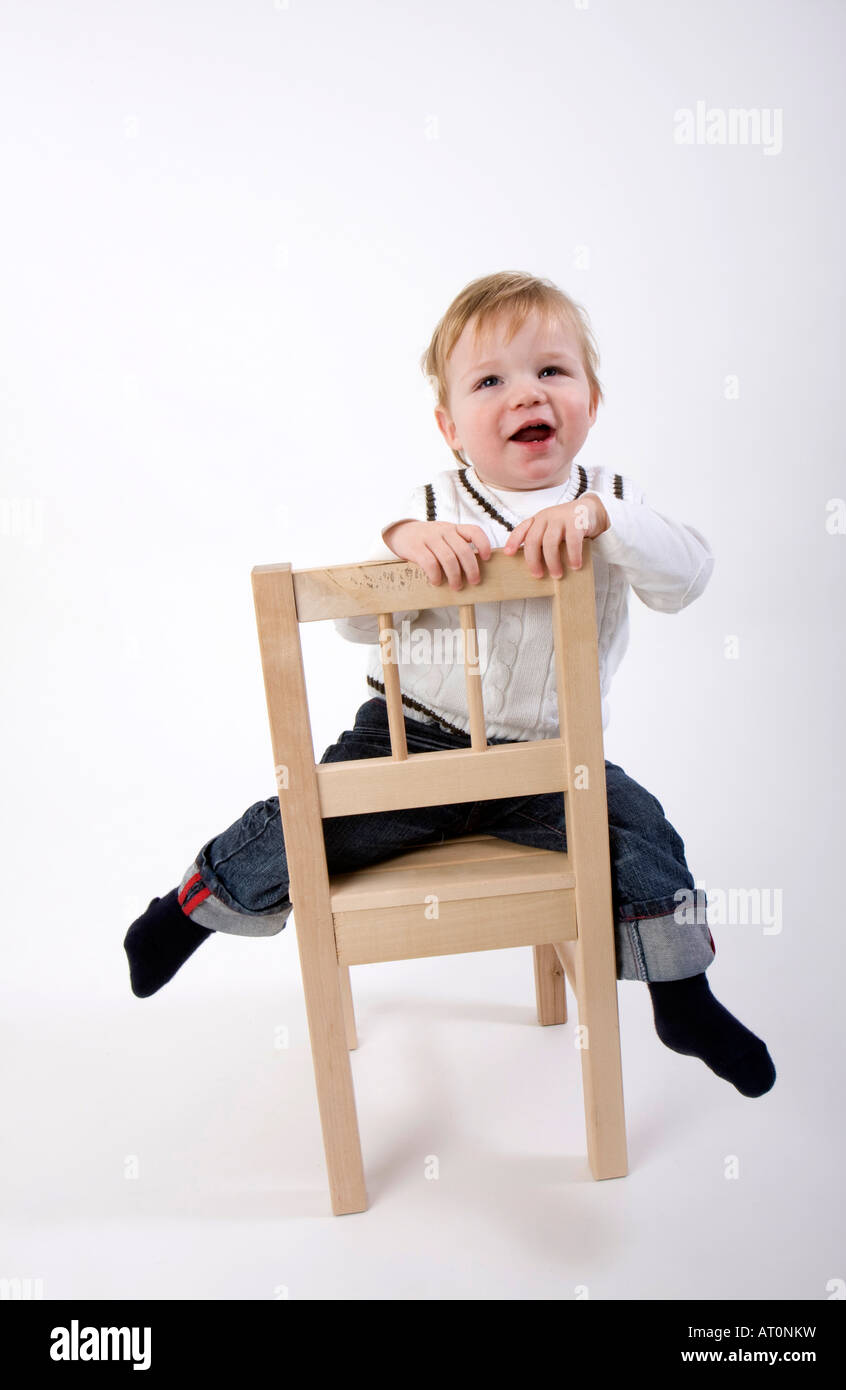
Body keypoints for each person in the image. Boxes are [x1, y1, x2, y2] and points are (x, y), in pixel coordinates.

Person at [124, 270, 775, 1098]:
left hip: (550, 762)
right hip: (411, 740)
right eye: (490, 381)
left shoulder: (608, 500)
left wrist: (606, 523)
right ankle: (186, 909)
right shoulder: (433, 501)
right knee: (300, 821)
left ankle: (683, 997)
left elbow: (686, 578)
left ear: (591, 399)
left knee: (644, 834)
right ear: (451, 425)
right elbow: (357, 622)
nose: (525, 395)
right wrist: (404, 549)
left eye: (551, 371)